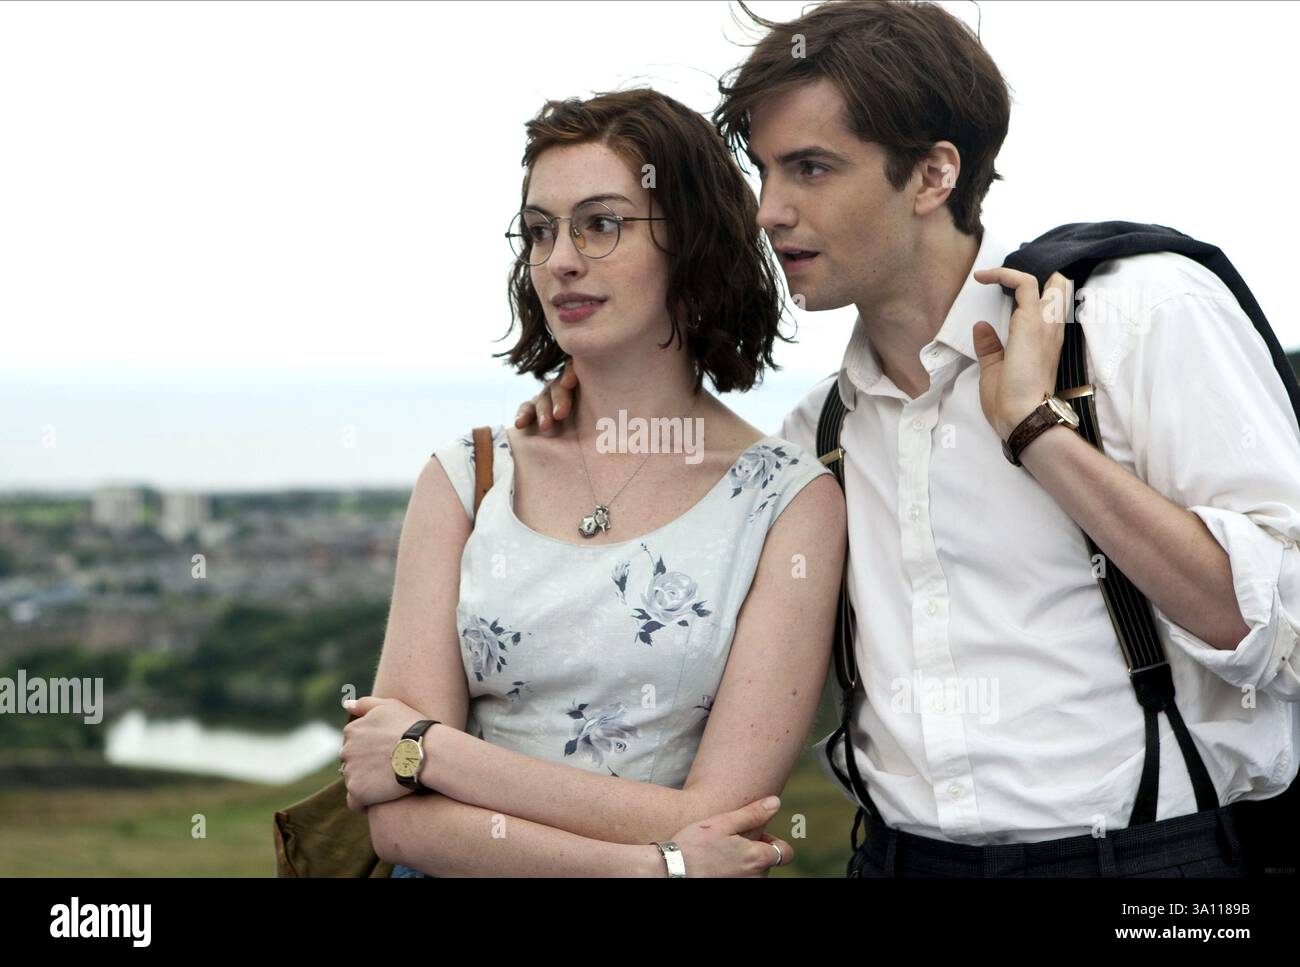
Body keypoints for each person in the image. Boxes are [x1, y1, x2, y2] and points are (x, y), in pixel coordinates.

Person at [516, 0, 1300, 878]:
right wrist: (592, 398)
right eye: (765, 171)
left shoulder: (1138, 316)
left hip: (1153, 871)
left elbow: (1282, 628)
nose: (770, 211)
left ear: (932, 175)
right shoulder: (820, 430)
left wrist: (1038, 432)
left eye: (811, 168)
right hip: (897, 863)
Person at [337, 87, 848, 877]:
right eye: (540, 231)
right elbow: (397, 826)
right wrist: (654, 867)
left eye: (602, 224)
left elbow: (718, 815)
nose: (561, 258)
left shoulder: (789, 502)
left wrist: (426, 749)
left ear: (693, 239)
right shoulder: (466, 480)